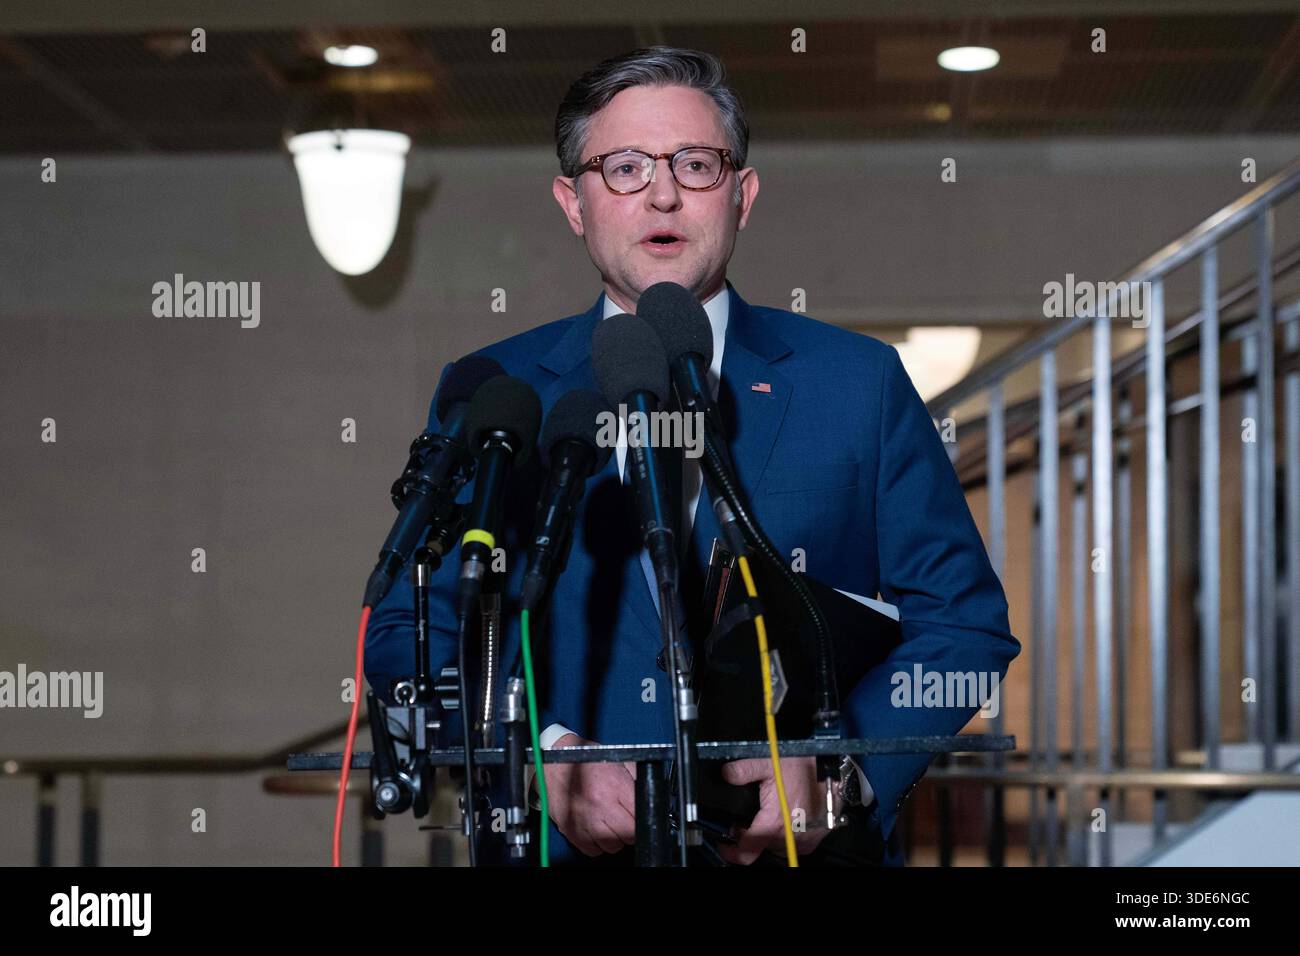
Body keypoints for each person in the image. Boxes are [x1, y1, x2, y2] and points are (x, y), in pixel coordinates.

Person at [365, 46, 1019, 866]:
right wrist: (544, 760)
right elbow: (406, 632)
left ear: (742, 196)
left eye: (696, 165)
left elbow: (965, 628)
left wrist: (842, 772)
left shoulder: (859, 383)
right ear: (574, 202)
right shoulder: (498, 391)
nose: (663, 193)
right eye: (625, 167)